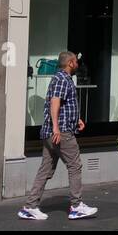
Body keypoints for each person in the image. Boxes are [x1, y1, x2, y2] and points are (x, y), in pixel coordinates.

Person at [19, 51, 98, 220]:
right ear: (70, 63)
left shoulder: (60, 78)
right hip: (60, 133)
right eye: (76, 61)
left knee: (45, 169)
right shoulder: (62, 78)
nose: (78, 64)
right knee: (75, 165)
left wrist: (76, 120)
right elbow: (55, 102)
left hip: (52, 132)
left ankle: (30, 206)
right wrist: (56, 128)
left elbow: (63, 105)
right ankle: (77, 206)